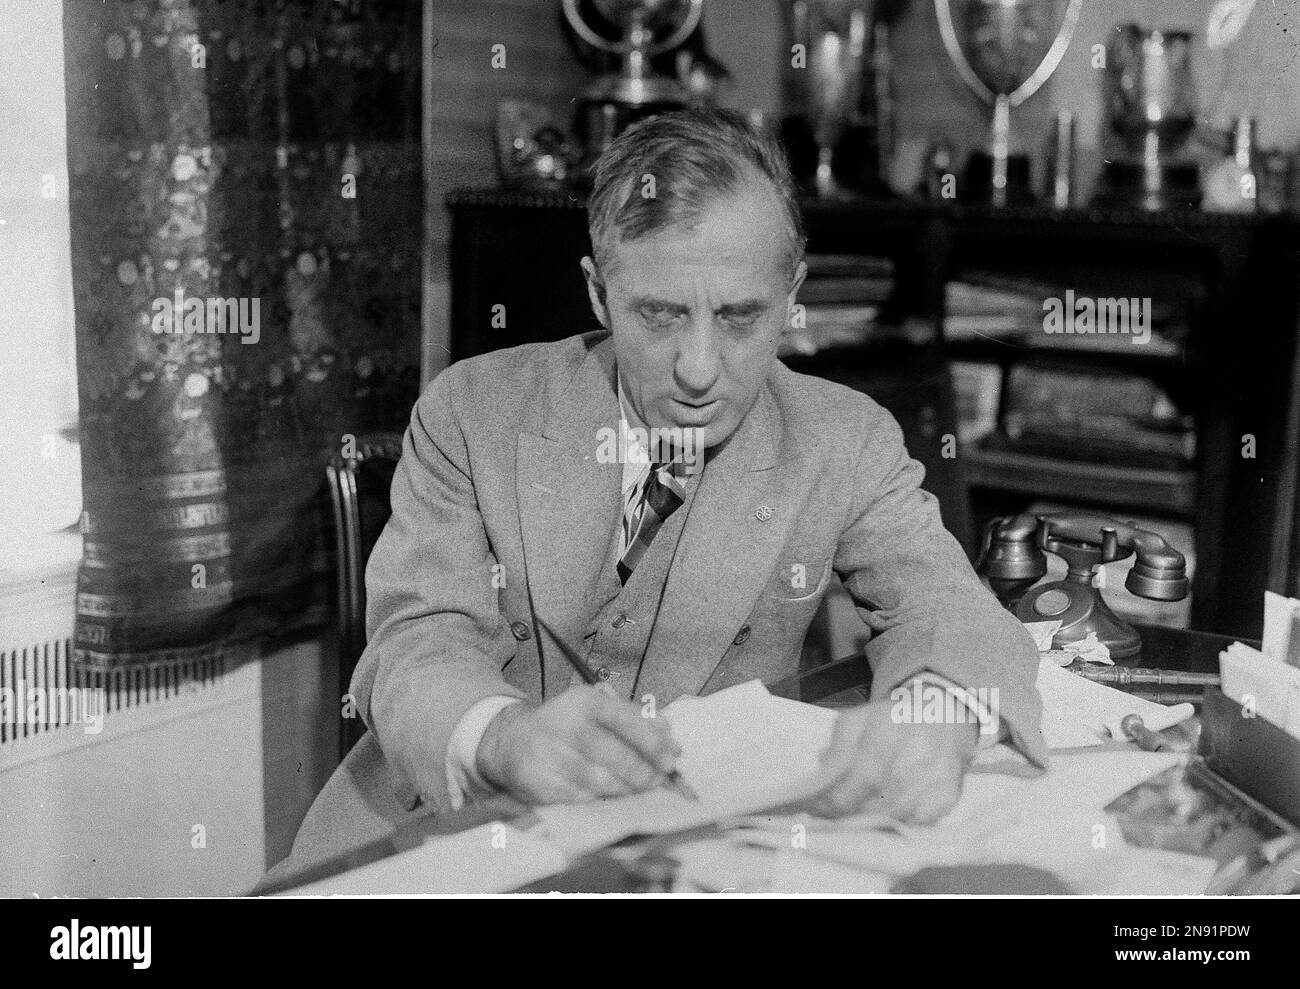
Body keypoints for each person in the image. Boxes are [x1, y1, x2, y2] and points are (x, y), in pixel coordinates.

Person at [273, 107, 1046, 875]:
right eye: (660, 314)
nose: (698, 369)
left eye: (741, 316)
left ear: (792, 295)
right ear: (598, 293)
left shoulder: (845, 438)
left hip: (677, 856)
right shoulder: (471, 412)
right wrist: (505, 739)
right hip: (429, 837)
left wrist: (941, 711)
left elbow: (946, 606)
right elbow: (417, 644)